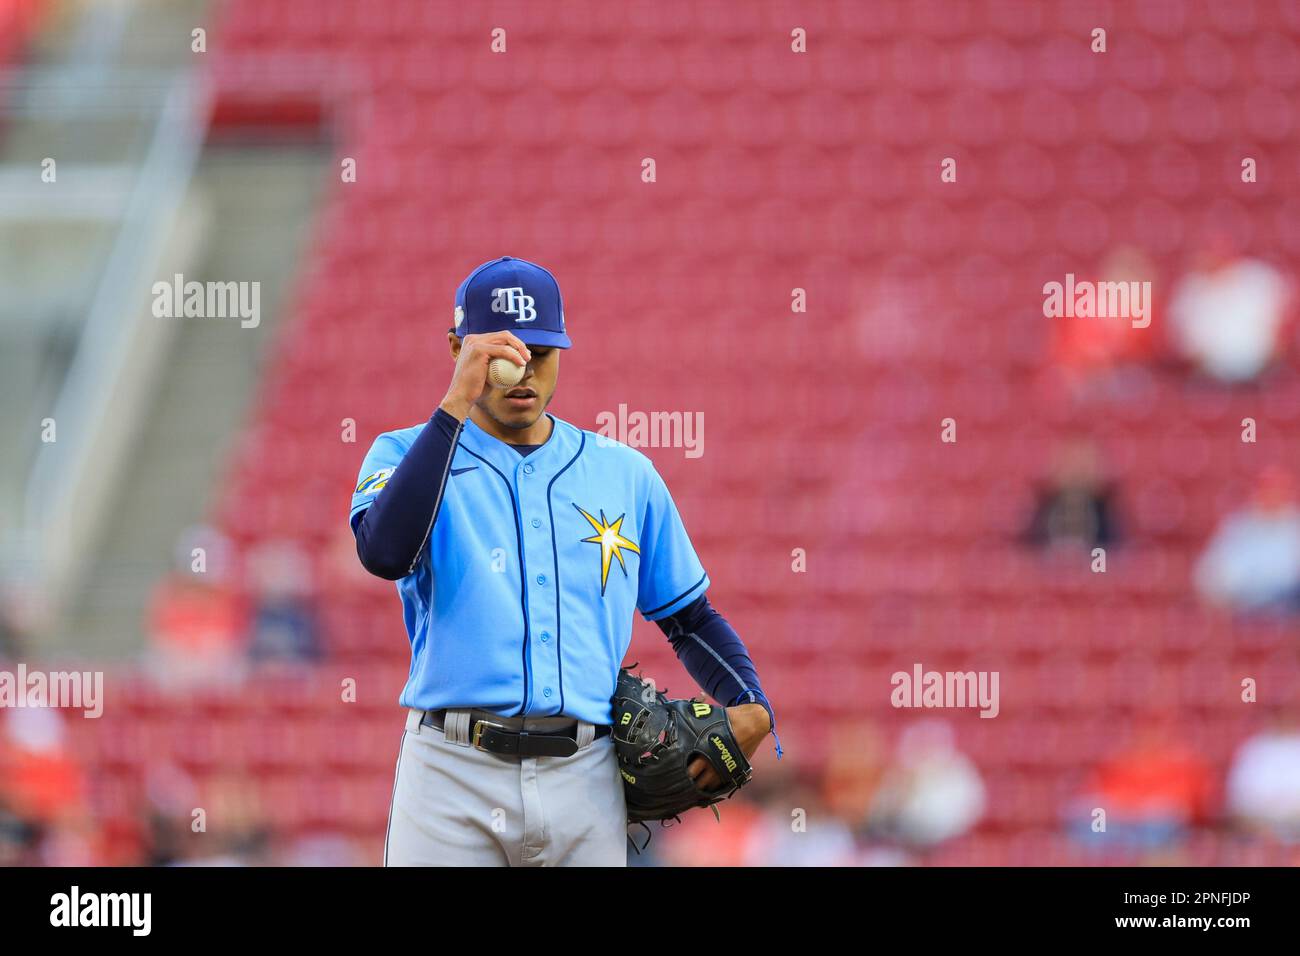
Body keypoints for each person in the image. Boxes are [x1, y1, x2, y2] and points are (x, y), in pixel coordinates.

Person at [349, 256, 777, 866]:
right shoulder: (404, 454)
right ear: (457, 349)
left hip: (586, 775)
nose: (523, 372)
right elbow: (385, 553)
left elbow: (689, 618)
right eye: (503, 354)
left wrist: (754, 704)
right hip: (451, 773)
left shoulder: (624, 473)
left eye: (540, 355)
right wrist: (454, 405)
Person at [1168, 239, 1292, 384]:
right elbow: (1183, 342)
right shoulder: (1191, 290)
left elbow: (1280, 329)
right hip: (1209, 375)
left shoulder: (1259, 280)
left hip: (1259, 371)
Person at [1195, 466, 1300, 613]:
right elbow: (1211, 577)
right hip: (1249, 609)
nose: (1273, 496)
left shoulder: (1295, 527)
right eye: (1268, 490)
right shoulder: (1238, 527)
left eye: (1278, 490)